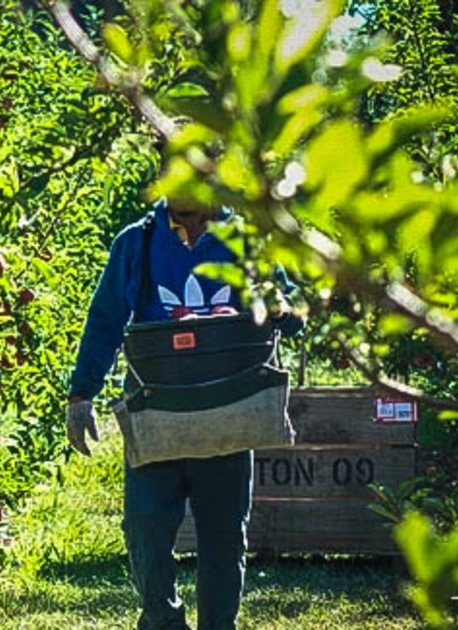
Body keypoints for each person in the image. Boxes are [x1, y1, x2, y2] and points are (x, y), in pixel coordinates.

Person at [65, 195, 303, 630]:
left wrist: (282, 309)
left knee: (224, 541)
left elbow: (290, 306)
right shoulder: (137, 243)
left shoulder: (244, 241)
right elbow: (104, 321)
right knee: (145, 531)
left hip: (228, 414)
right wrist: (81, 395)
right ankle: (163, 621)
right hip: (158, 417)